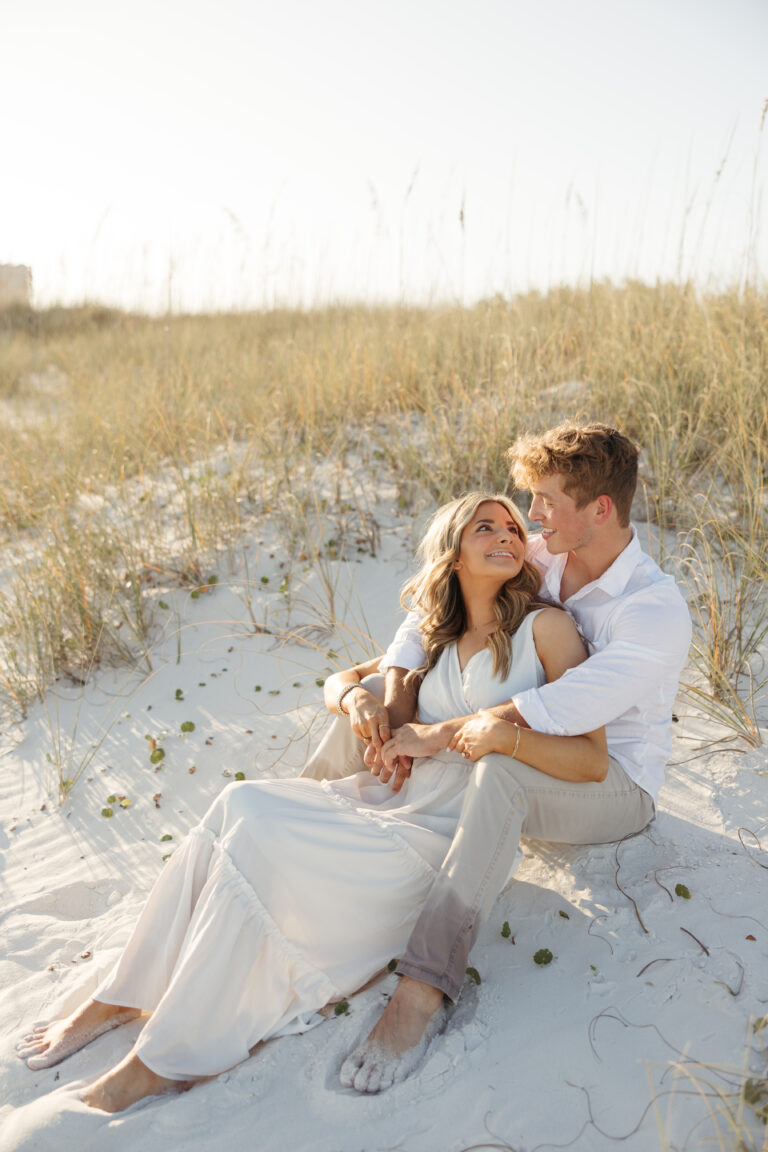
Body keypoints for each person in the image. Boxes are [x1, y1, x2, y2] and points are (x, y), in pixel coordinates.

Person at [16, 492, 611, 1111]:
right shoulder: (436, 636)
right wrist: (359, 702)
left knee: (257, 825)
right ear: (453, 555)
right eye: (485, 526)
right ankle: (125, 993)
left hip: (447, 836)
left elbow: (592, 757)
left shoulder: (546, 628)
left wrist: (493, 736)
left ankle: (168, 1057)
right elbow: (343, 681)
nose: (508, 534)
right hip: (388, 804)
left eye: (514, 526)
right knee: (236, 804)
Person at [306, 422, 691, 1092]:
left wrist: (433, 734)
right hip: (525, 746)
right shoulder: (548, 554)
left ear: (600, 509)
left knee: (501, 767)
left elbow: (567, 709)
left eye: (544, 500)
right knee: (373, 696)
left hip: (609, 783)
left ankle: (422, 990)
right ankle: (300, 828)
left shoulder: (652, 608)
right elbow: (429, 612)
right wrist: (390, 688)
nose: (531, 518)